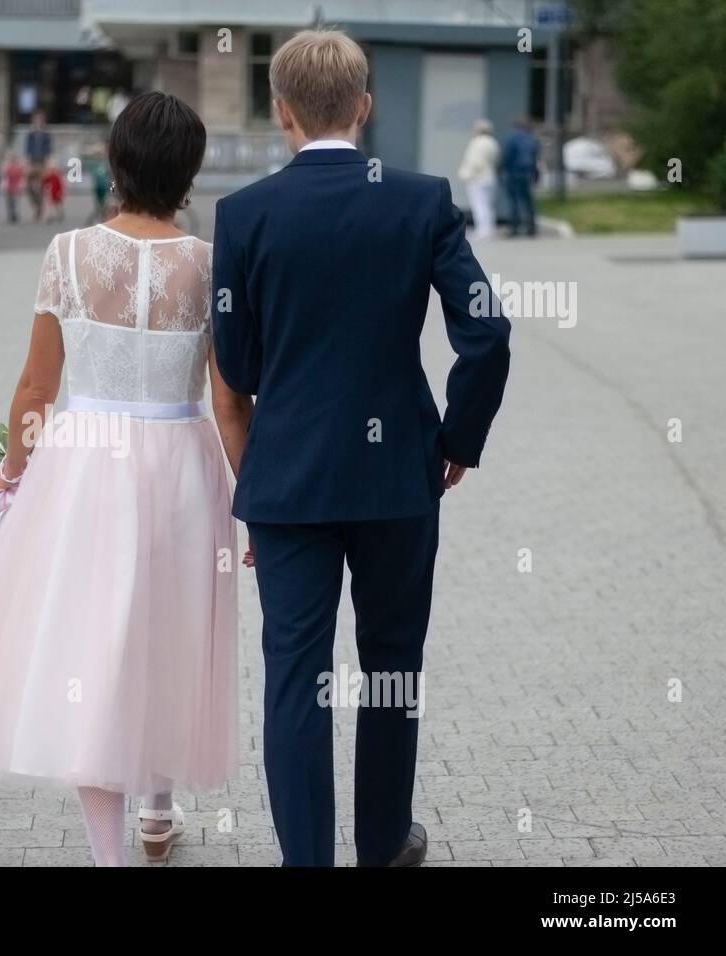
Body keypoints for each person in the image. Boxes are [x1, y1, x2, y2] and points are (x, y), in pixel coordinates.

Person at [0, 92, 252, 867]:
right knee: (169, 630)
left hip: (86, 465)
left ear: (116, 164)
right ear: (188, 173)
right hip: (184, 462)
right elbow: (227, 400)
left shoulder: (67, 254)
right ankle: (158, 808)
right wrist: (254, 498)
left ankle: (110, 854)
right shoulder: (208, 264)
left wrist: (13, 472)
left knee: (97, 649)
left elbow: (34, 388)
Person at [212, 29, 511, 867]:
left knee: (296, 676)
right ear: (366, 107)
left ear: (281, 115)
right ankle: (382, 844)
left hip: (288, 483)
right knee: (389, 667)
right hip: (398, 478)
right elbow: (487, 332)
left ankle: (306, 860)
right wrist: (459, 441)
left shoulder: (243, 215)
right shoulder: (420, 199)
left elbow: (234, 366)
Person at [459, 119, 501, 239]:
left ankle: (483, 230)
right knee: (488, 205)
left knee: (479, 205)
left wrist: (467, 174)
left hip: (477, 179)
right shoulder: (492, 142)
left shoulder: (477, 143)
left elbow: (474, 162)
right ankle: (489, 228)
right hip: (490, 177)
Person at [501, 118, 540, 237]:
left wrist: (502, 170)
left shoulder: (511, 139)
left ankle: (514, 228)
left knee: (514, 201)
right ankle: (531, 227)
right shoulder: (532, 139)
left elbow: (506, 156)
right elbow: (535, 158)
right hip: (528, 174)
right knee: (528, 201)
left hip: (514, 173)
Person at [24, 111, 53, 222]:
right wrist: (27, 162)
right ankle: (37, 205)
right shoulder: (30, 134)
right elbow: (27, 149)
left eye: (40, 120)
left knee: (41, 186)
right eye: (36, 120)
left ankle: (40, 209)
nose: (38, 122)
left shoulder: (46, 134)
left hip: (42, 162)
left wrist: (48, 162)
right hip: (32, 162)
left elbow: (49, 149)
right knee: (29, 186)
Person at [1, 151, 26, 224]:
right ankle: (10, 214)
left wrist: (22, 186)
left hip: (16, 186)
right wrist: (3, 186)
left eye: (14, 159)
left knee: (15, 201)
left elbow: (22, 177)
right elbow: (4, 177)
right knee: (9, 201)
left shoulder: (19, 167)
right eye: (12, 159)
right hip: (8, 186)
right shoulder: (7, 166)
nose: (13, 160)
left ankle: (14, 214)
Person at [41, 157, 65, 222]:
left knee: (57, 205)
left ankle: (59, 214)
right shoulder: (47, 176)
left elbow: (60, 185)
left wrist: (60, 192)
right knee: (49, 205)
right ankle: (50, 216)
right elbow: (43, 182)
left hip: (56, 192)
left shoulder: (57, 176)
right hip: (50, 193)